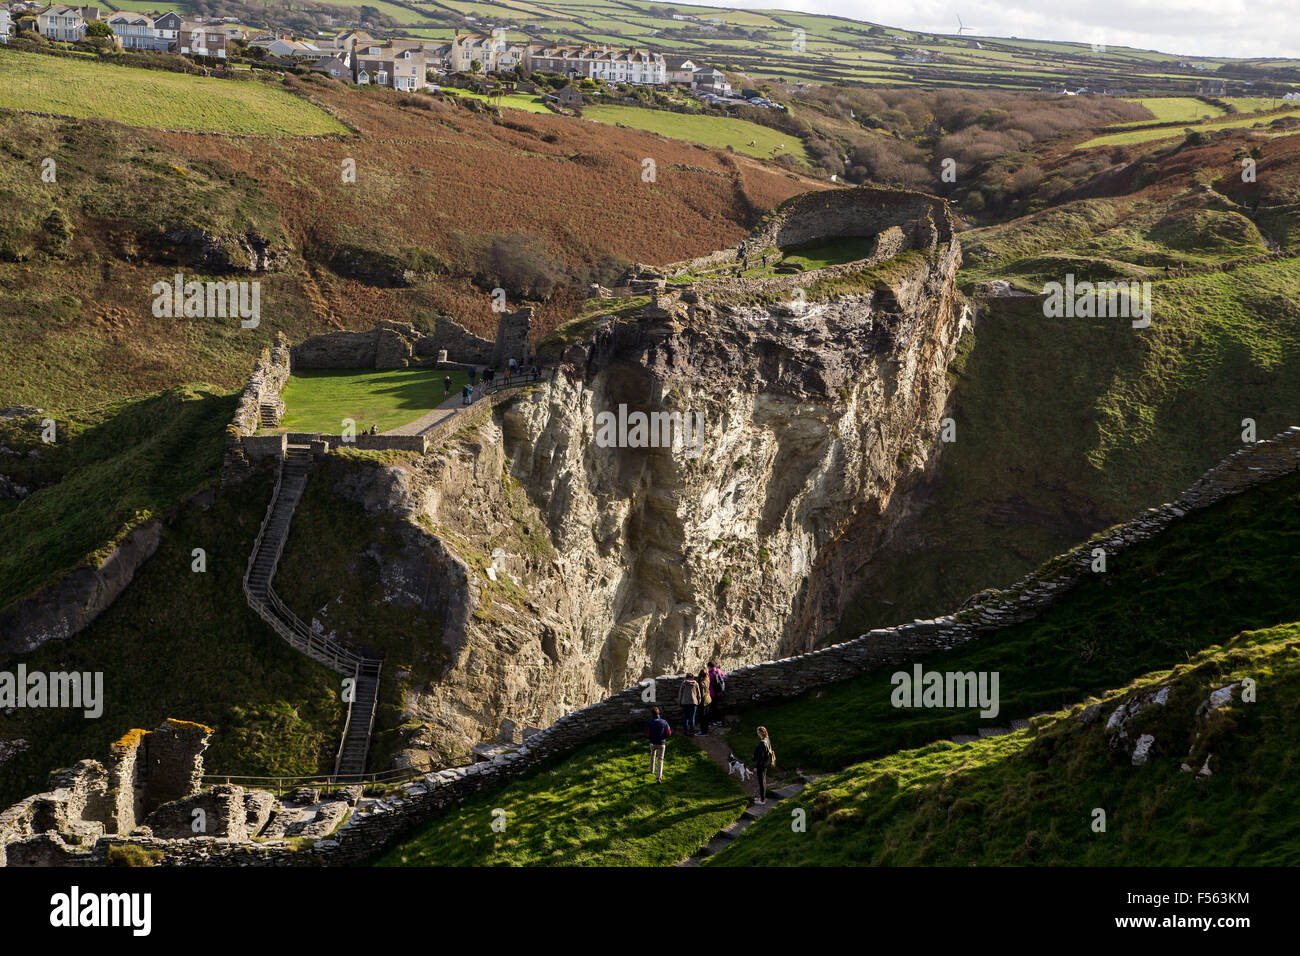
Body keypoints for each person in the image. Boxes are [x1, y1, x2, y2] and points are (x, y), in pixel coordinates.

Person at [645, 706, 672, 783]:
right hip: (661, 743)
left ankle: (651, 770)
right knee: (660, 759)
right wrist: (663, 737)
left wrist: (651, 738)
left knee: (652, 755)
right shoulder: (664, 722)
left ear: (652, 714)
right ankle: (659, 777)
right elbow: (669, 733)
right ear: (659, 713)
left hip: (653, 743)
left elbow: (647, 734)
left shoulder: (650, 723)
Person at [752, 726, 774, 805]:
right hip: (765, 765)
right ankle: (762, 797)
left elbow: (760, 758)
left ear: (760, 733)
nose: (757, 734)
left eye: (758, 732)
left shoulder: (762, 744)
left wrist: (756, 767)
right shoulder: (767, 740)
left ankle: (762, 800)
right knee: (763, 781)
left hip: (761, 766)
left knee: (761, 782)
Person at [708, 661, 726, 727]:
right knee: (717, 707)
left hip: (712, 693)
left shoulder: (710, 674)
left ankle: (715, 721)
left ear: (709, 667)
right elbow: (723, 676)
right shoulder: (718, 671)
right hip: (719, 692)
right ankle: (720, 721)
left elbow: (708, 683)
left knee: (713, 708)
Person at [695, 667, 711, 736]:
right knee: (706, 717)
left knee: (702, 717)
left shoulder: (701, 684)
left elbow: (700, 694)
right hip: (708, 700)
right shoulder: (707, 680)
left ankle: (703, 732)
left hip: (703, 702)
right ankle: (706, 730)